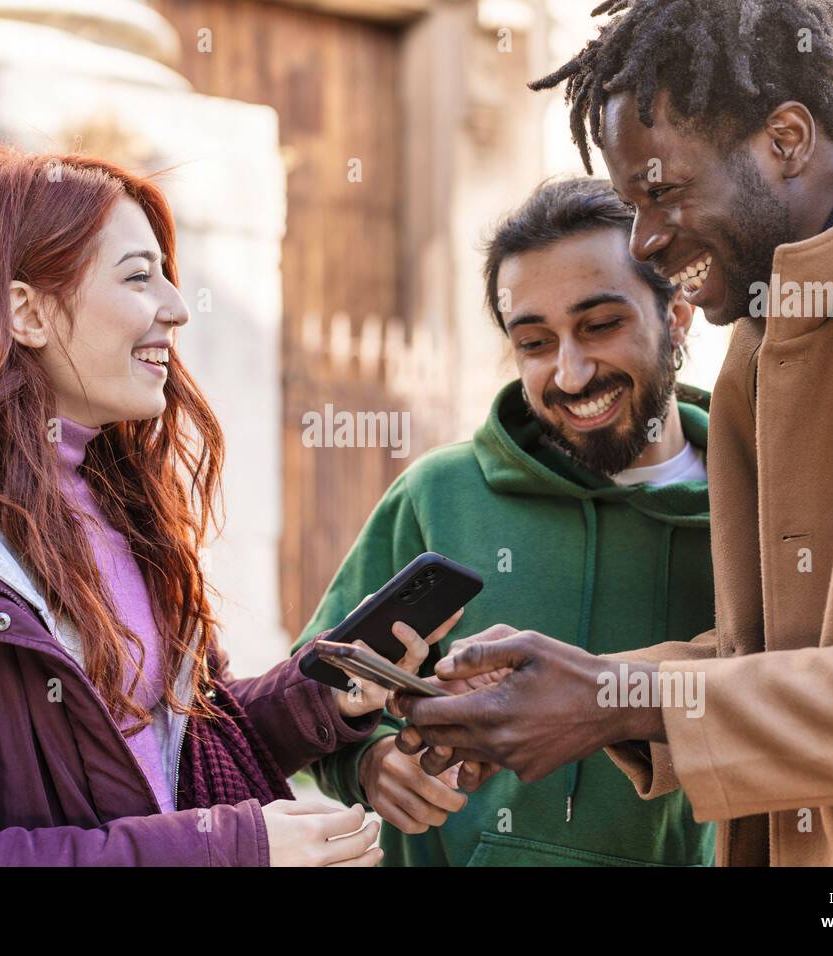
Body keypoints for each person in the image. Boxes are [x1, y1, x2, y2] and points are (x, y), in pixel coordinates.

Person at [396, 0, 833, 865]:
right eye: (628, 203)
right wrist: (567, 685)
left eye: (662, 191)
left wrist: (619, 697)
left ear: (787, 140)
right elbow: (786, 655)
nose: (644, 239)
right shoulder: (763, 336)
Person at [0, 146, 433, 866]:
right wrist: (233, 848)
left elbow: (171, 754)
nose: (175, 308)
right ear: (27, 311)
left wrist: (322, 695)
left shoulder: (116, 506)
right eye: (140, 277)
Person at [292, 177, 717, 866]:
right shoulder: (440, 494)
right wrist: (368, 766)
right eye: (535, 342)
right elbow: (313, 690)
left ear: (678, 317)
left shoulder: (750, 512)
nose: (571, 374)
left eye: (601, 325)